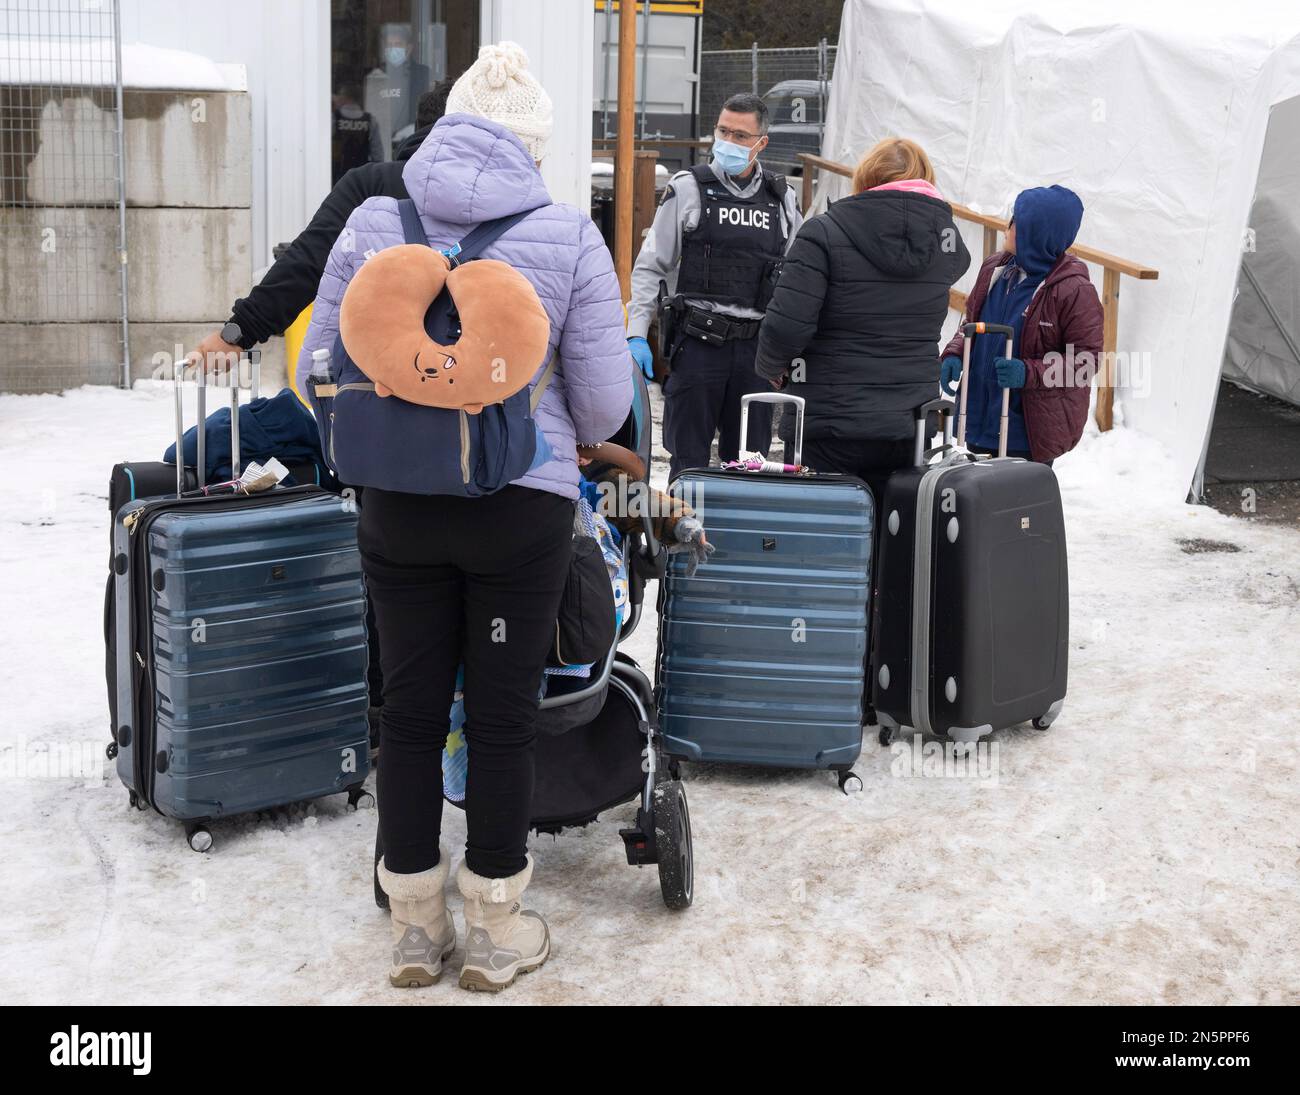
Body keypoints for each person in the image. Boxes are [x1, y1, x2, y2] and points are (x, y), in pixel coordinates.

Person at [298, 42, 632, 993]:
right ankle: (493, 927)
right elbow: (605, 409)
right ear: (533, 143)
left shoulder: (374, 217)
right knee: (498, 717)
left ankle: (414, 925)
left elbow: (313, 369)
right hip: (517, 509)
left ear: (446, 126)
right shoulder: (569, 235)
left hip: (397, 509)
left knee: (405, 711)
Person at [754, 137, 970, 507]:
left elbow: (786, 326)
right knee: (897, 539)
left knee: (829, 538)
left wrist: (771, 367)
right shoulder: (945, 243)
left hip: (830, 423)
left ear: (867, 176)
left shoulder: (823, 233)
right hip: (909, 424)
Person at [627, 92, 803, 478]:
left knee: (749, 465)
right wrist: (636, 333)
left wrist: (790, 347)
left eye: (740, 136)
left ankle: (735, 538)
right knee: (687, 461)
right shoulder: (688, 187)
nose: (728, 142)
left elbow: (797, 280)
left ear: (761, 143)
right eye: (723, 131)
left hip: (755, 352)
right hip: (698, 345)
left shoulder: (782, 199)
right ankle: (679, 536)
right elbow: (650, 265)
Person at [940, 185, 1102, 463]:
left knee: (1019, 502)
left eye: (1016, 221)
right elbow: (972, 320)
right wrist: (956, 351)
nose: (1008, 225)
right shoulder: (995, 268)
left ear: (1037, 233)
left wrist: (1029, 373)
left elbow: (1086, 363)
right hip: (982, 414)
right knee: (981, 498)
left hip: (1026, 428)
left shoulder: (1073, 290)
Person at [331, 82, 385, 183]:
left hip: (337, 176)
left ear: (346, 97)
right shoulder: (370, 120)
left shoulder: (334, 118)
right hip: (361, 177)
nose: (337, 98)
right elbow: (377, 156)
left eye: (339, 95)